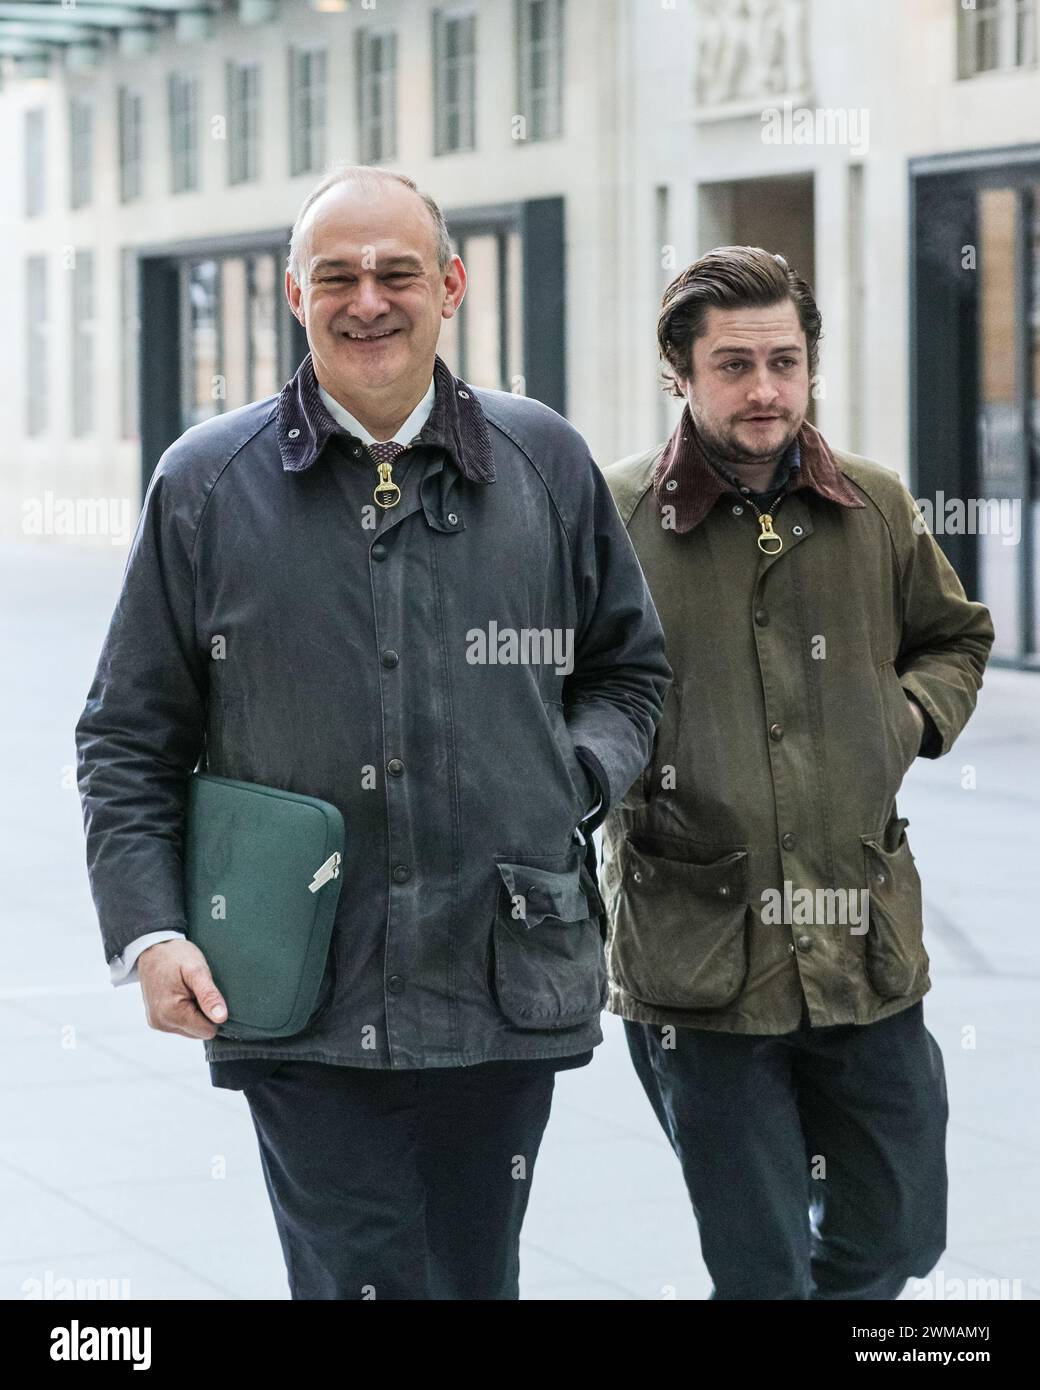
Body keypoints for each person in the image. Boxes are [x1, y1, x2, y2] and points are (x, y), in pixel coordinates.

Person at [75, 164, 670, 1301]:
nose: (367, 300)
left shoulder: (543, 462)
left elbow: (627, 671)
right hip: (296, 986)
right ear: (295, 296)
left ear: (449, 285)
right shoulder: (205, 484)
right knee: (356, 1281)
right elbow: (125, 735)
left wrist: (570, 780)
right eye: (336, 276)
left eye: (397, 272)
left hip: (499, 980)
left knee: (470, 1277)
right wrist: (149, 931)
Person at [601, 245, 994, 1300]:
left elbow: (954, 635)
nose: (764, 387)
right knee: (760, 1265)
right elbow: (558, 689)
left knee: (899, 1231)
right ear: (677, 371)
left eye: (783, 359)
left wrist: (906, 718)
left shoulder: (870, 504)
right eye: (732, 364)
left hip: (861, 944)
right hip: (697, 966)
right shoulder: (613, 518)